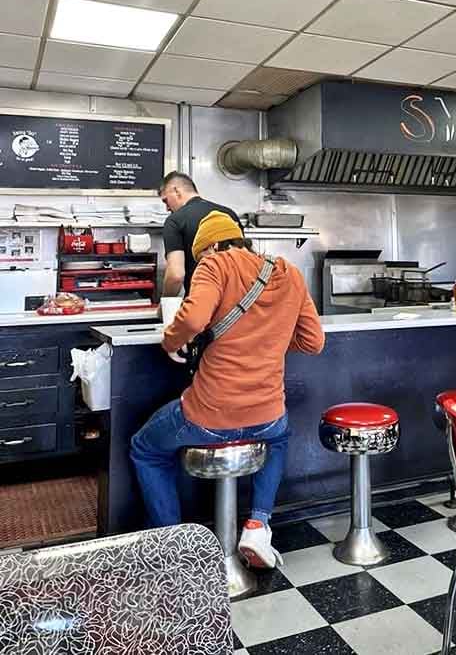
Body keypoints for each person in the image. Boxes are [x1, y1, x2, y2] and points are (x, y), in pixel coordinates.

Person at [130, 211, 324, 568]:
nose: (202, 261)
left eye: (201, 254)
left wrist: (171, 341)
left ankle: (173, 545)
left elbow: (190, 319)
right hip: (267, 415)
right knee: (279, 438)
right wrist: (269, 338)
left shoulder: (214, 264)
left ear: (214, 245)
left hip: (209, 416)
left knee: (145, 447)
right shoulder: (290, 273)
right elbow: (313, 341)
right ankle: (257, 525)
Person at [159, 171, 243, 295]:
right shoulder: (229, 214)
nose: (167, 208)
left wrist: (164, 304)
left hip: (201, 301)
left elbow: (176, 275)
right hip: (237, 302)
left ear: (176, 191)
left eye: (165, 201)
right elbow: (244, 260)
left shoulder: (175, 220)